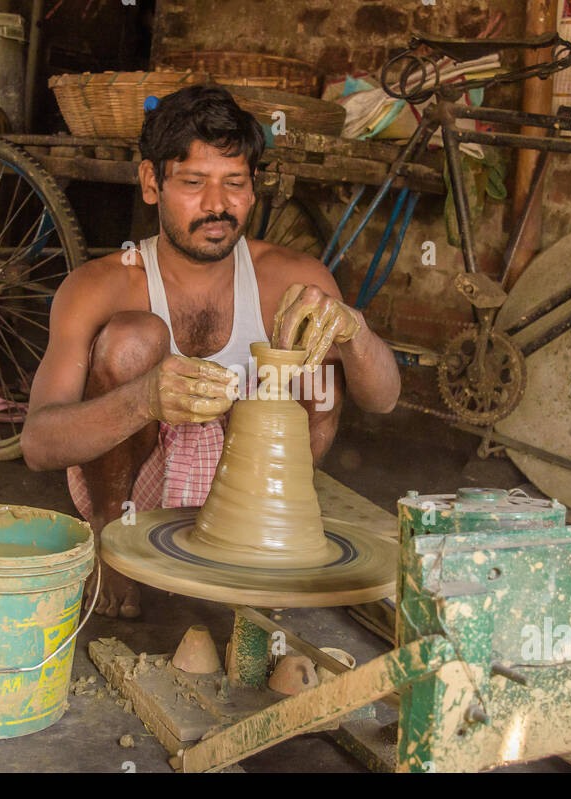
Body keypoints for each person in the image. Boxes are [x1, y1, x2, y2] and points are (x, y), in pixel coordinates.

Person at [20, 85, 400, 618]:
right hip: (134, 481)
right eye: (194, 183)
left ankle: (272, 531)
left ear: (254, 188)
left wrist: (353, 329)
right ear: (152, 183)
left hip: (251, 488)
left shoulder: (290, 278)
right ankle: (111, 541)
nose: (217, 205)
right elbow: (38, 443)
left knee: (322, 345)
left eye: (235, 184)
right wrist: (143, 400)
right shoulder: (99, 285)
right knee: (133, 338)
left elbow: (382, 399)